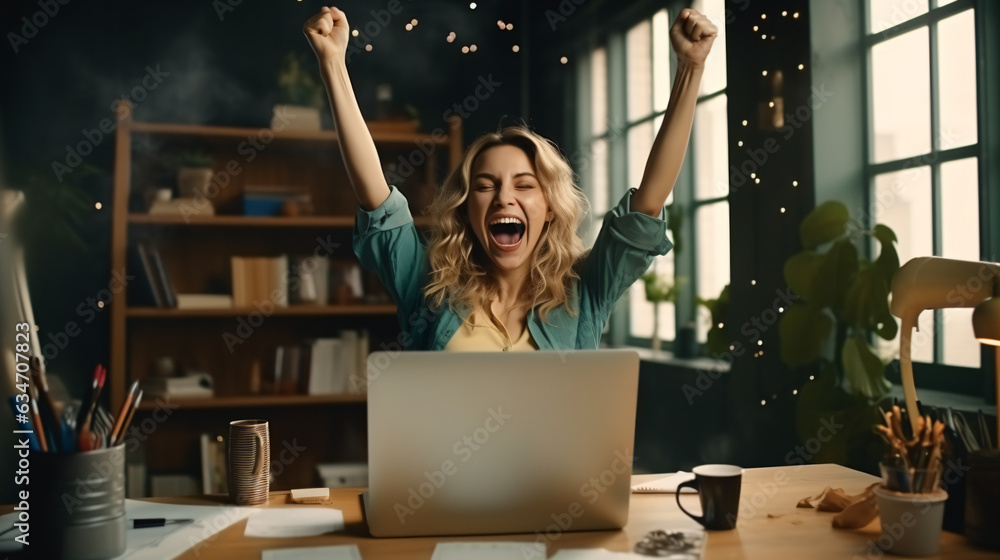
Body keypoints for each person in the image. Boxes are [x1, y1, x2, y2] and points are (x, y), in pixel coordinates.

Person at [303, 6, 717, 351]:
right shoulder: (427, 289)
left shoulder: (585, 291)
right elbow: (377, 199)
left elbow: (646, 207)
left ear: (551, 208)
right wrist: (333, 64)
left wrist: (690, 69)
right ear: (466, 210)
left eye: (524, 185)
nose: (504, 198)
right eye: (485, 186)